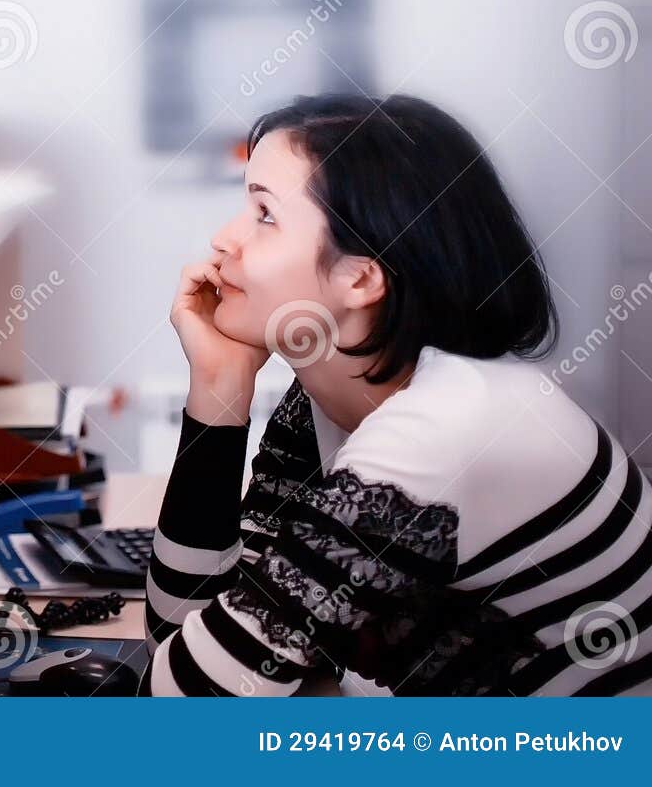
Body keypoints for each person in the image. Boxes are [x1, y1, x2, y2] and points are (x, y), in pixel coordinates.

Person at [142, 93, 651, 695]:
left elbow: (181, 706)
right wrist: (219, 386)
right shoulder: (333, 396)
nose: (224, 239)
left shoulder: (441, 430)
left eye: (265, 214)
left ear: (359, 277)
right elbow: (186, 638)